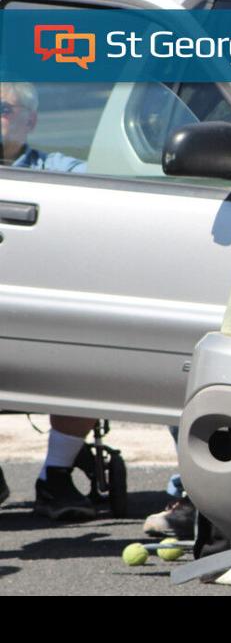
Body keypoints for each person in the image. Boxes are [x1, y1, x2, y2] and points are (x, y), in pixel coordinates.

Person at [2, 82, 100, 520]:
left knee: (88, 350)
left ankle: (56, 477)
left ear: (30, 120)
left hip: (42, 317)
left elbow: (99, 206)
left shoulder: (60, 171)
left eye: (2, 108)